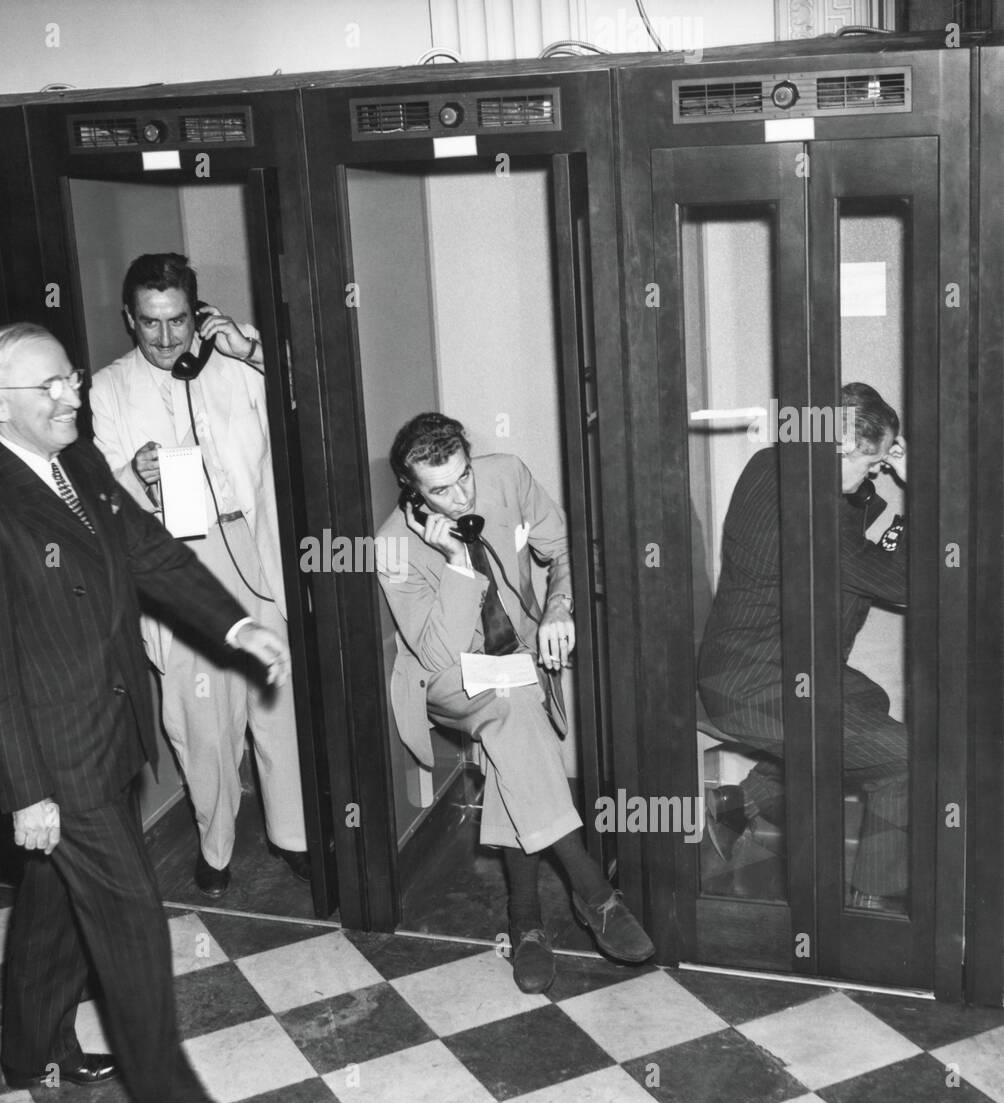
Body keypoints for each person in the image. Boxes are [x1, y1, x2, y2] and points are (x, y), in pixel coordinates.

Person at [0, 323, 289, 1103]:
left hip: (109, 733)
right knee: (132, 921)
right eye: (49, 387)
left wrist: (234, 625)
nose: (72, 395)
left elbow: (149, 551)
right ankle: (170, 1098)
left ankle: (31, 1049)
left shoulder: (81, 464)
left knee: (54, 901)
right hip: (56, 760)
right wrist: (27, 794)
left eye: (73, 378)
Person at [375, 412, 654, 993]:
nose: (459, 496)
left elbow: (567, 552)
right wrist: (455, 563)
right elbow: (434, 654)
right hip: (445, 679)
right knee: (514, 702)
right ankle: (594, 892)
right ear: (413, 491)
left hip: (513, 668)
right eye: (440, 490)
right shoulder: (392, 546)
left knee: (514, 719)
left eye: (463, 478)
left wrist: (559, 606)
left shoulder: (508, 477)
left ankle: (525, 922)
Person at [90, 252, 307, 898]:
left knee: (275, 698)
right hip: (174, 558)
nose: (165, 339)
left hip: (250, 548)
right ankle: (216, 843)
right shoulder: (107, 389)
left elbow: (310, 402)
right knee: (199, 715)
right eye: (150, 324)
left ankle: (291, 833)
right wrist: (136, 475)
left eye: (178, 322)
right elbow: (95, 491)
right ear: (130, 318)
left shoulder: (239, 369)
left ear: (198, 314)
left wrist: (257, 351)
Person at [698, 383, 909, 911]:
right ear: (836, 448)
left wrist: (870, 467)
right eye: (870, 465)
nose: (876, 476)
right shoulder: (813, 513)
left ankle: (737, 805)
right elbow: (908, 580)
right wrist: (923, 481)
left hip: (767, 663)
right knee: (905, 760)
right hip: (750, 682)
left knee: (865, 702)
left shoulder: (772, 466)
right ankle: (871, 906)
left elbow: (870, 529)